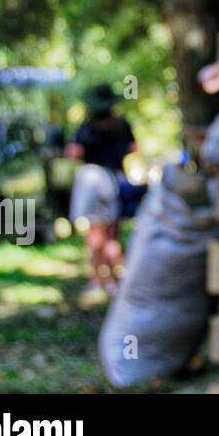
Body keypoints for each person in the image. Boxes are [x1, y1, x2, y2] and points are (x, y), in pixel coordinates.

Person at [66, 84, 139, 303]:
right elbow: (133, 148)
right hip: (114, 179)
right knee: (111, 234)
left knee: (94, 233)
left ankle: (97, 279)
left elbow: (75, 152)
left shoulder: (87, 127)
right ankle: (113, 280)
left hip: (91, 178)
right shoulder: (121, 125)